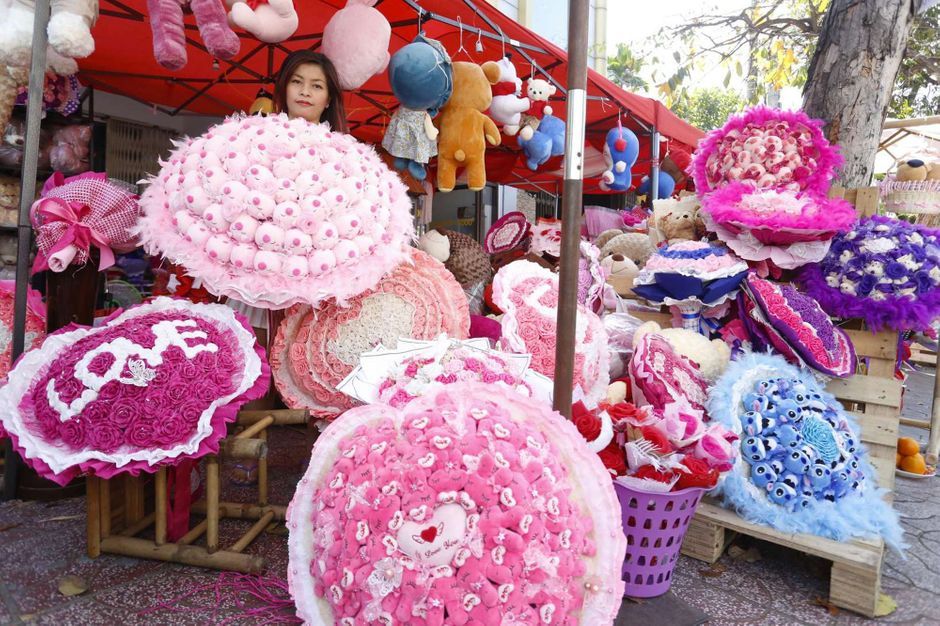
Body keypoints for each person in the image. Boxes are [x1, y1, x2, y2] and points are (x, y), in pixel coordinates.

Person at [226, 50, 349, 485]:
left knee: (314, 364)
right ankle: (245, 452)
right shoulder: (255, 138)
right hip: (261, 267)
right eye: (298, 82)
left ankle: (316, 460)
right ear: (283, 88)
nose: (305, 92)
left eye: (316, 85)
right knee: (257, 361)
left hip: (317, 274)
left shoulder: (342, 153)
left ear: (329, 98)